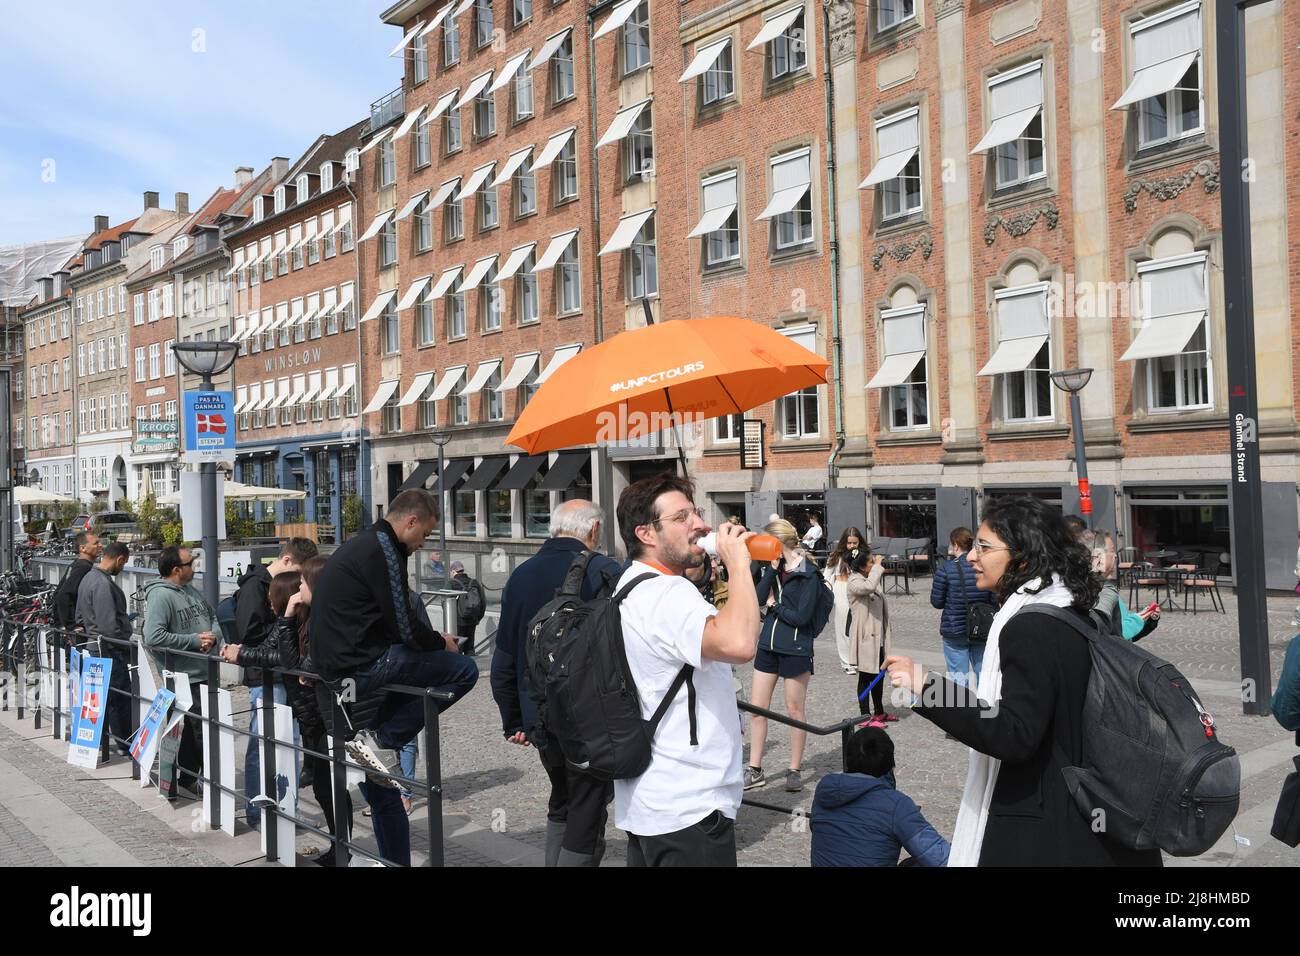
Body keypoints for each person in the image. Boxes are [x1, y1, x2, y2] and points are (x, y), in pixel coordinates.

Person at [884, 496, 1163, 866]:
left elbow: (1014, 733)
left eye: (984, 547)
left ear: (1024, 557)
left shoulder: (1030, 625)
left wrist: (926, 686)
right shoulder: (1070, 608)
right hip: (1091, 817)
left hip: (1052, 825)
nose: (971, 556)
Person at [309, 489, 478, 866]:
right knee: (464, 671)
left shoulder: (363, 546)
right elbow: (404, 625)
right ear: (411, 521)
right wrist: (441, 643)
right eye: (426, 534)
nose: (424, 543)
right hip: (362, 669)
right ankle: (383, 737)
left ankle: (394, 858)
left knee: (381, 784)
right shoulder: (383, 550)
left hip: (339, 675)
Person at [613, 474, 760, 867]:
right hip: (689, 805)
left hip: (651, 800)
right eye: (682, 517)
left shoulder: (629, 584)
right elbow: (740, 644)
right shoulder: (667, 593)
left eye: (696, 512)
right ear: (647, 533)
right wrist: (739, 563)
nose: (700, 524)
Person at [491, 499, 622, 866]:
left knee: (563, 796)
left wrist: (514, 719)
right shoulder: (605, 571)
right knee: (588, 804)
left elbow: (505, 655)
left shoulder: (521, 574)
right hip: (591, 715)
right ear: (593, 530)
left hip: (541, 715)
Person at [232, 537, 318, 827]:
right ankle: (260, 809)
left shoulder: (268, 585)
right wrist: (287, 625)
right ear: (287, 561)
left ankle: (285, 806)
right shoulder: (254, 588)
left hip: (283, 675)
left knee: (286, 743)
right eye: (299, 572)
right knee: (263, 744)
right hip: (266, 677)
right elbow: (251, 634)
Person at [747, 518, 821, 792]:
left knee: (794, 711)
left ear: (777, 542)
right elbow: (756, 598)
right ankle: (755, 769)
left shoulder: (808, 573)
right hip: (768, 646)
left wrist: (774, 606)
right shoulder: (773, 569)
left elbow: (802, 616)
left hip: (795, 648)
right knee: (757, 709)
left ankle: (794, 768)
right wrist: (770, 572)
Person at [143, 546, 221, 796]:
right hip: (183, 675)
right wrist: (194, 641)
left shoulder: (190, 590)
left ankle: (187, 776)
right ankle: (210, 786)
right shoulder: (160, 596)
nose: (195, 566)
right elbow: (153, 637)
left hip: (203, 670)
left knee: (192, 729)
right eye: (190, 563)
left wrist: (214, 638)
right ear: (177, 569)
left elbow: (213, 618)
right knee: (199, 730)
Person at [811, 726, 950, 867]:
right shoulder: (897, 805)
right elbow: (942, 859)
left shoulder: (824, 792)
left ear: (848, 759)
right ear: (890, 762)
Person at [74, 541, 133, 756]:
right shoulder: (102, 583)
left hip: (93, 646)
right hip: (109, 650)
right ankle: (125, 745)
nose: (123, 568)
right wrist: (125, 642)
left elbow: (79, 616)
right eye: (124, 563)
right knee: (118, 698)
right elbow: (109, 627)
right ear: (119, 559)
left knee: (99, 700)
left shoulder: (87, 578)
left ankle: (102, 744)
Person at [929, 527, 994, 689]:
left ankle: (961, 711)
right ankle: (986, 709)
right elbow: (993, 600)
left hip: (955, 629)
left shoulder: (945, 569)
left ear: (955, 545)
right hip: (982, 628)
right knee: (984, 674)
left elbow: (937, 602)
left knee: (958, 679)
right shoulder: (983, 566)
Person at [846, 547, 894, 726]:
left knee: (878, 675)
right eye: (871, 562)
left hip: (878, 638)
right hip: (865, 637)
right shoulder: (854, 581)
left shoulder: (869, 577)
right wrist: (878, 567)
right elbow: (868, 588)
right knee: (866, 678)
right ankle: (864, 716)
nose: (874, 564)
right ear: (862, 566)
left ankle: (879, 712)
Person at [822, 527, 863, 674]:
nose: (852, 546)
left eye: (855, 543)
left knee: (858, 625)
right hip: (841, 589)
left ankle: (857, 659)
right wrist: (828, 592)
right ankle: (846, 661)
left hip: (858, 589)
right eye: (849, 543)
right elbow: (826, 575)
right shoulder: (836, 556)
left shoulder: (862, 555)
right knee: (842, 625)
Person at [54, 531, 102, 629]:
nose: (100, 545)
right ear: (82, 548)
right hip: (79, 626)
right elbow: (63, 594)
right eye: (95, 543)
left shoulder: (76, 564)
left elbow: (58, 592)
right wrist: (71, 625)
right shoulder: (83, 567)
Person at [447, 560, 487, 655]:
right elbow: (483, 602)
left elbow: (445, 603)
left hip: (457, 621)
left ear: (453, 571)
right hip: (472, 619)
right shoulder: (474, 582)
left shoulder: (451, 584)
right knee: (470, 648)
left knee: (457, 647)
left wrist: (452, 619)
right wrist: (477, 618)